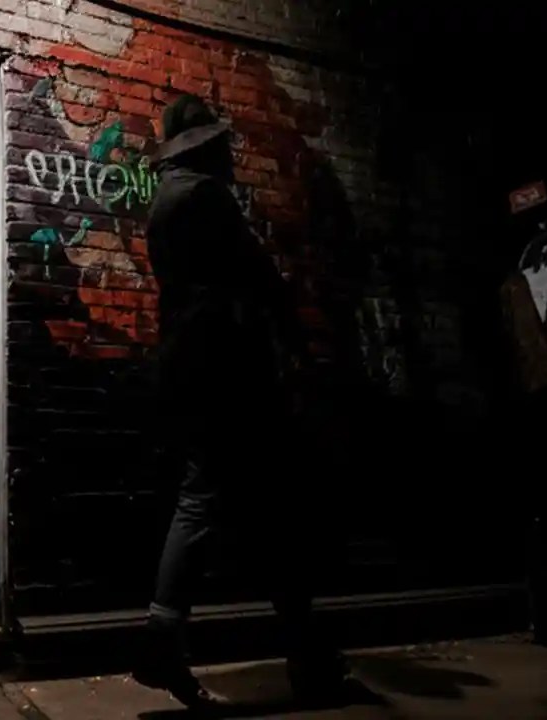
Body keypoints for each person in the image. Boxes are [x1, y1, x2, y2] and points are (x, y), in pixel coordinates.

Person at [131, 93, 348, 710]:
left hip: (189, 368)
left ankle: (173, 635)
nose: (230, 151)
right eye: (221, 142)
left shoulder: (164, 204)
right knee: (267, 508)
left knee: (230, 503)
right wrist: (300, 347)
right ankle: (297, 655)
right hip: (229, 370)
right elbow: (261, 279)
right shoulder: (208, 198)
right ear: (204, 146)